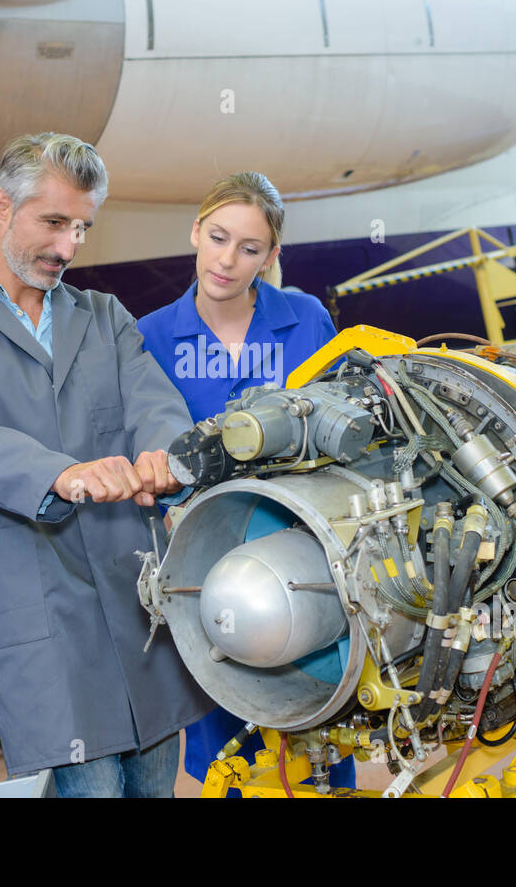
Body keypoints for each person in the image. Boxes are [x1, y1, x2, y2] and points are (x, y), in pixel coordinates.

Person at [0, 131, 214, 798]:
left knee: (155, 785)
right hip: (43, 625)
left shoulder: (103, 316)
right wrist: (62, 473)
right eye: (55, 222)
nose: (68, 248)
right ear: (2, 207)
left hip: (137, 607)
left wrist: (164, 454)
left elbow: (156, 402)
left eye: (83, 228)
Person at [134, 171, 355, 790]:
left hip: (307, 554)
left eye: (250, 248)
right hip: (206, 564)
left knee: (319, 722)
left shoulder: (307, 319)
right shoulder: (150, 335)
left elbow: (344, 424)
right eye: (218, 238)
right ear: (196, 233)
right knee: (226, 739)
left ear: (271, 256)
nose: (227, 261)